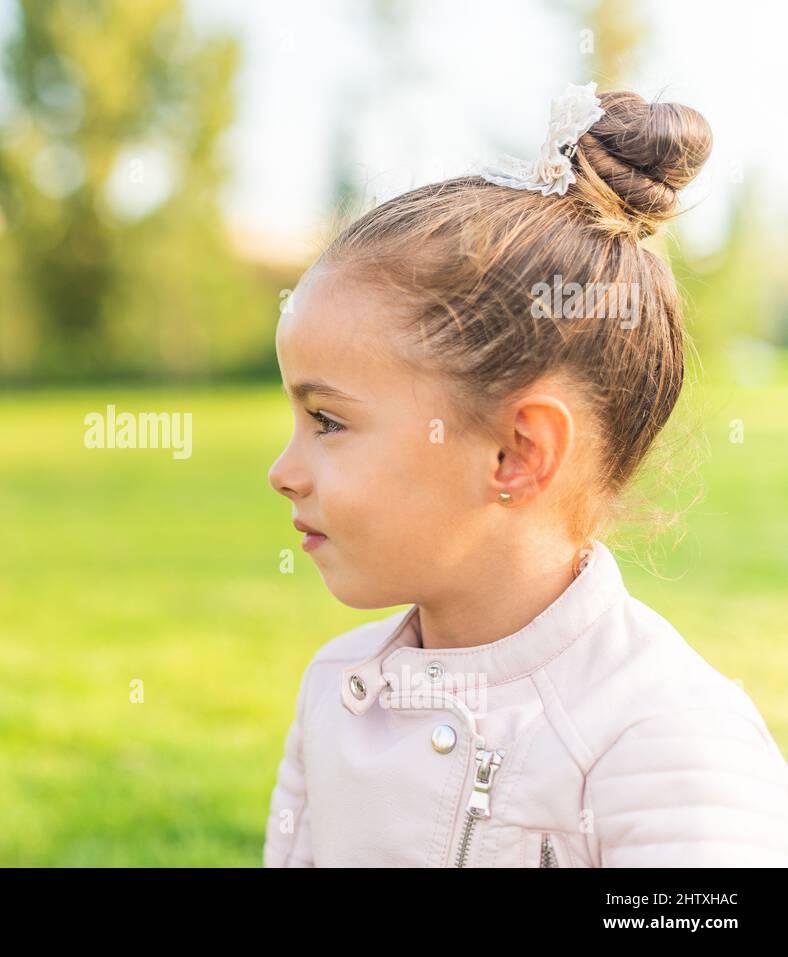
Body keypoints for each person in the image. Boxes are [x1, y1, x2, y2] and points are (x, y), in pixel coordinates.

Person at [263, 83, 788, 867]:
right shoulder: (336, 691)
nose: (282, 472)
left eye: (329, 421)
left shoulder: (665, 740)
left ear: (517, 453)